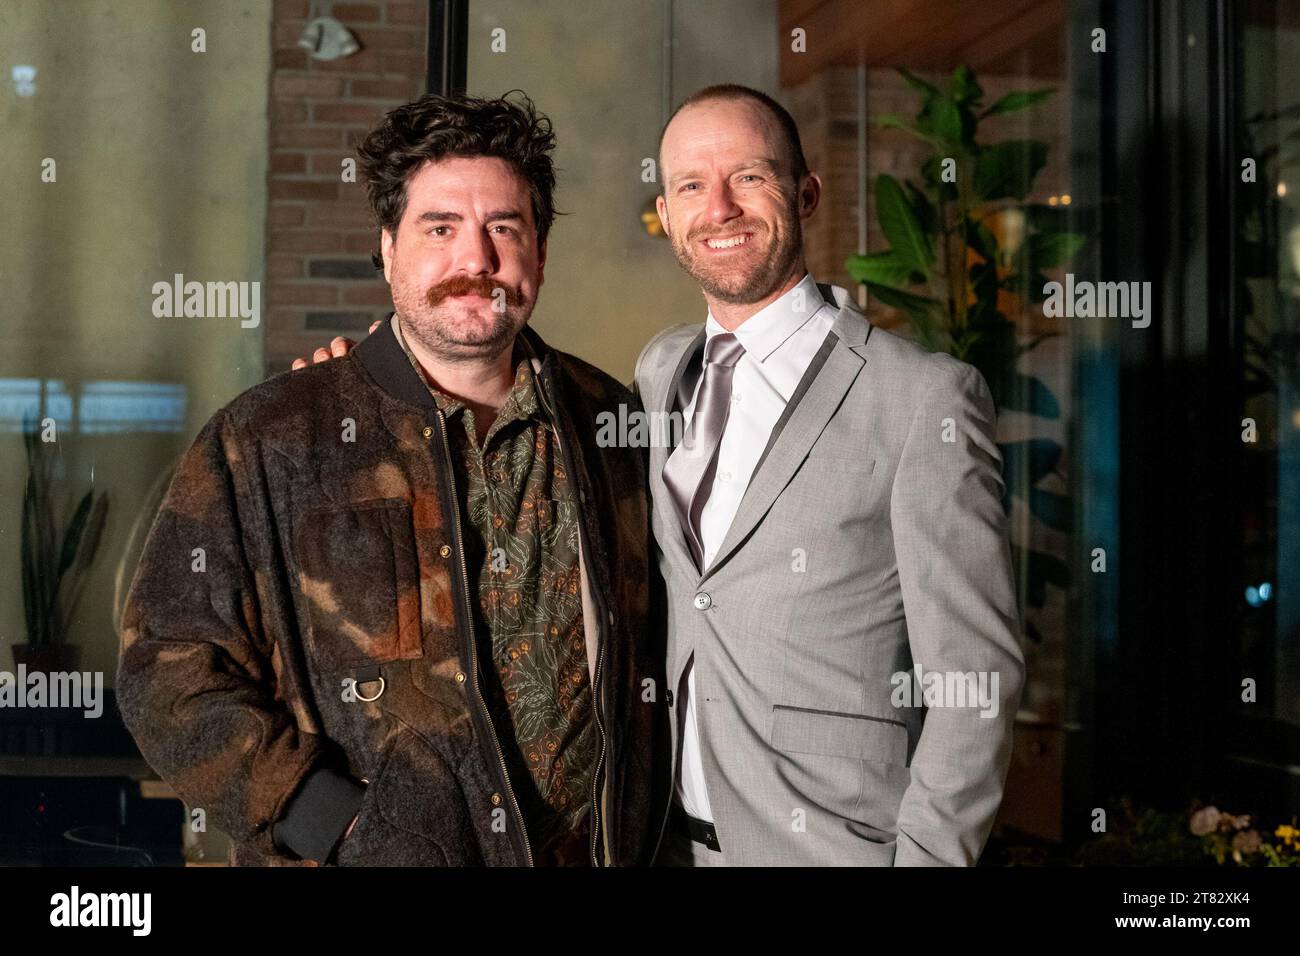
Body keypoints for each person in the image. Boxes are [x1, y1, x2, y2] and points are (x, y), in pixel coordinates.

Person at [301, 84, 1026, 867]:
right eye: (690, 186)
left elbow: (976, 680)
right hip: (659, 848)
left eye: (749, 177)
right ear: (668, 214)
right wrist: (371, 383)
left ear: (806, 194)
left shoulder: (921, 397)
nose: (719, 208)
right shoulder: (658, 373)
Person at [117, 91, 669, 867]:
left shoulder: (613, 425)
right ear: (388, 249)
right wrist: (324, 820)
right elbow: (166, 668)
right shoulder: (270, 438)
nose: (474, 260)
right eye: (440, 228)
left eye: (502, 229)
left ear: (539, 254)